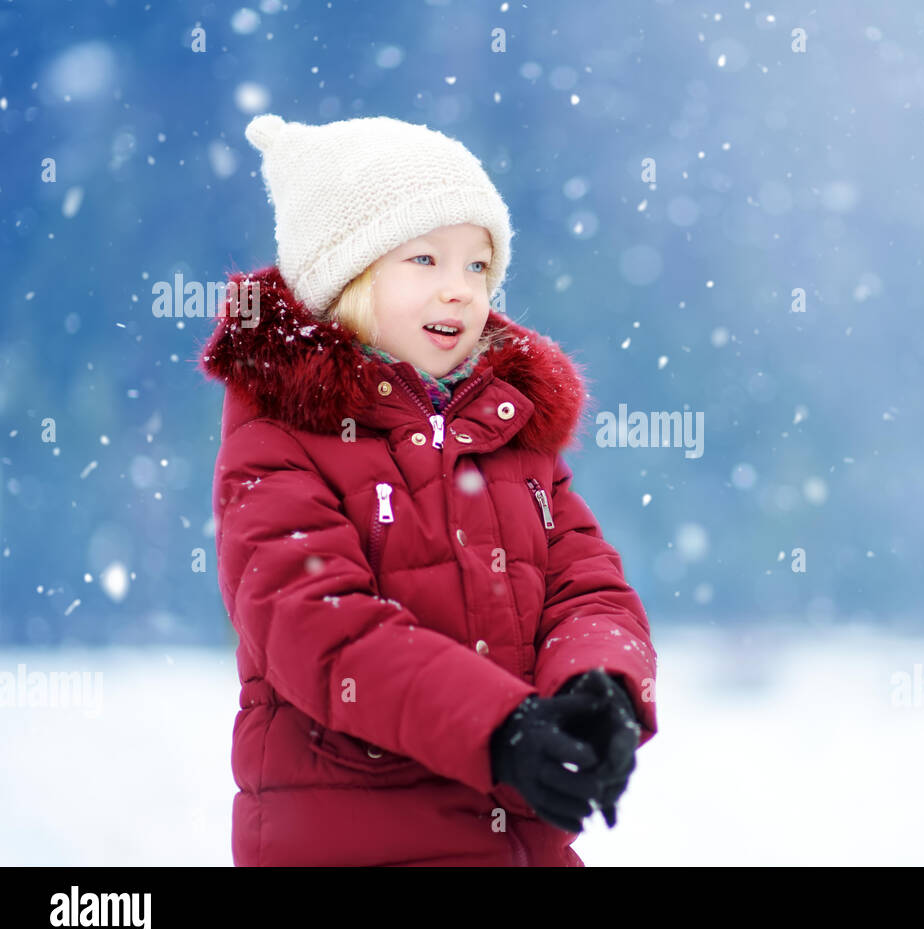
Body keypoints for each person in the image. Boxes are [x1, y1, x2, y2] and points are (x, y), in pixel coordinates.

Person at [195, 113, 658, 866]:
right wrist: (498, 728)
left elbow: (586, 583)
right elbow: (320, 626)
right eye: (425, 259)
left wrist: (599, 683)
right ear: (343, 274)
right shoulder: (280, 436)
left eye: (478, 266)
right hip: (356, 843)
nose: (459, 290)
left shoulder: (507, 429)